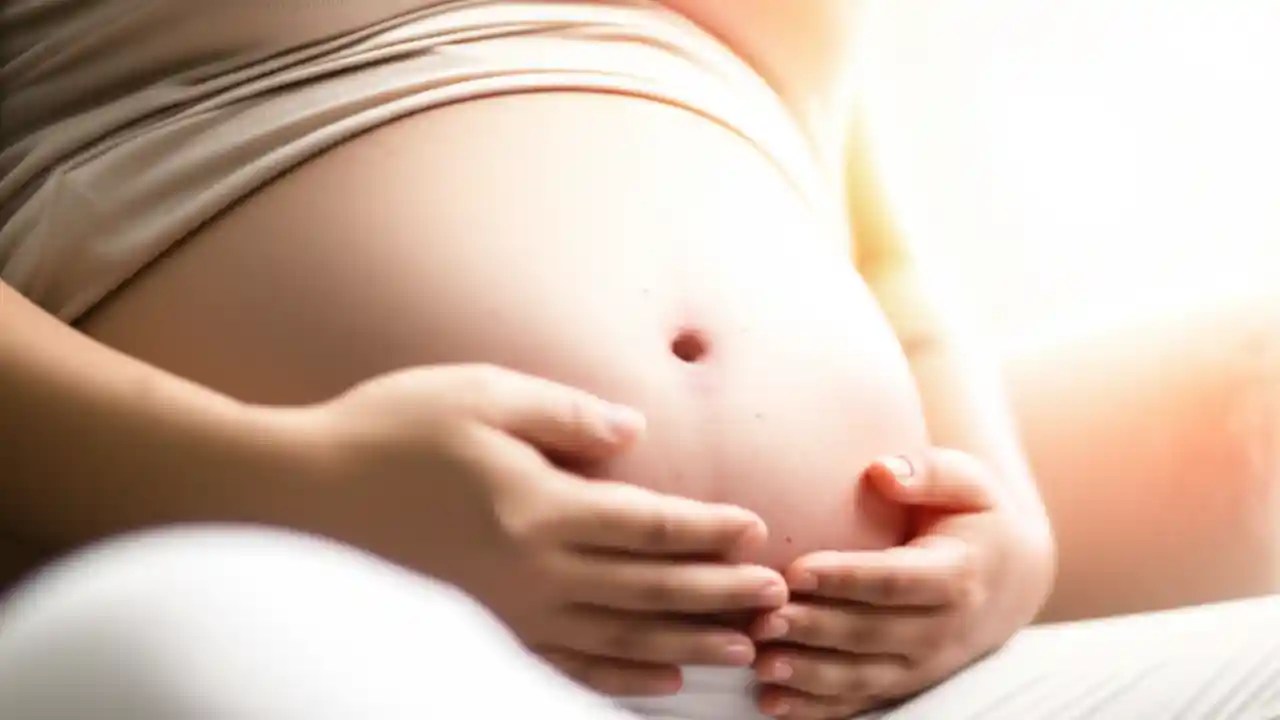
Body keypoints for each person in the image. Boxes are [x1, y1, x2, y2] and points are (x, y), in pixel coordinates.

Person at [0, 1, 1275, 718]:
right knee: (171, 646)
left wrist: (1001, 524)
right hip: (315, 597)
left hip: (845, 667)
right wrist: (284, 484)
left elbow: (875, 251)